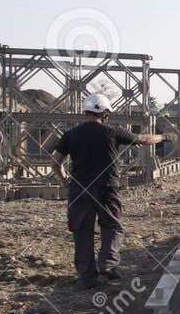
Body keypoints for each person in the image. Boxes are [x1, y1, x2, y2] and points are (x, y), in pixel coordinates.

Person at [50, 93, 164, 287]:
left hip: (79, 190)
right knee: (112, 226)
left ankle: (86, 278)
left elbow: (55, 161)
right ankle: (108, 267)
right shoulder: (113, 132)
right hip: (106, 188)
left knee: (82, 231)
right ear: (105, 113)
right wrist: (162, 137)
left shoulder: (71, 135)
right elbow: (143, 140)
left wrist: (65, 180)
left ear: (86, 112)